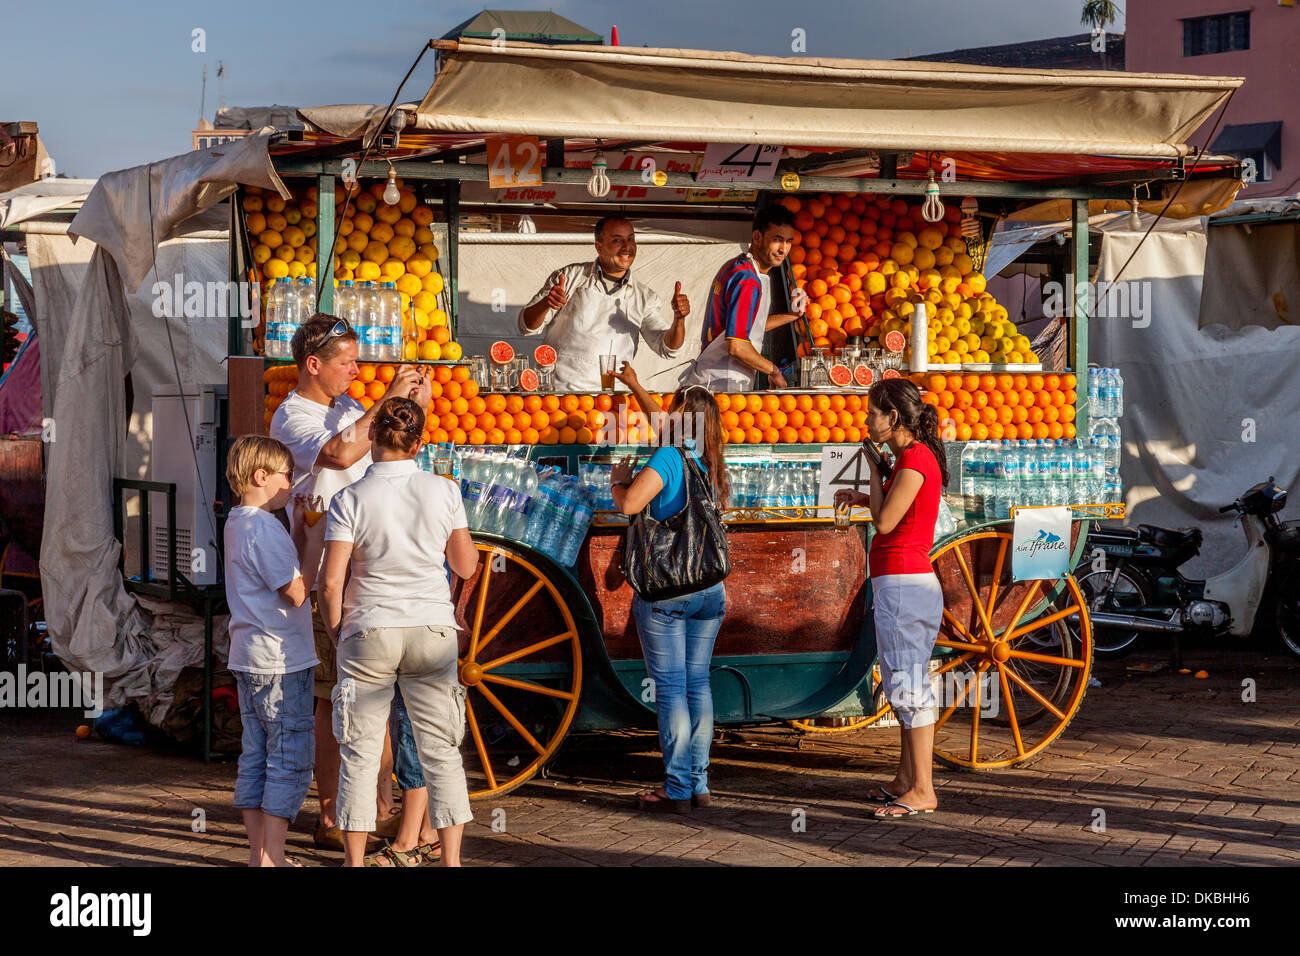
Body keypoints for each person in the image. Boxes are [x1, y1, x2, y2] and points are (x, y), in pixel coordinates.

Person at [270, 313, 431, 850]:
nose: (355, 371)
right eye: (346, 362)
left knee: (375, 698)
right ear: (313, 365)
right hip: (324, 577)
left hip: (369, 576)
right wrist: (387, 398)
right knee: (332, 699)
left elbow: (383, 452)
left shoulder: (348, 407)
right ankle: (331, 813)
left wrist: (412, 405)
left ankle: (377, 808)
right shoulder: (293, 415)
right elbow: (338, 453)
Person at [318, 396, 479, 866]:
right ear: (420, 442)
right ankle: (449, 861)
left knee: (360, 755)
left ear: (371, 437)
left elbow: (332, 580)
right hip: (431, 626)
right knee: (442, 752)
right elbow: (465, 565)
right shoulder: (444, 490)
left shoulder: (349, 499)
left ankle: (353, 861)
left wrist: (335, 630)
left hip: (369, 626)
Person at [610, 362, 729, 814]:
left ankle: (677, 788)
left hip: (667, 589)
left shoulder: (668, 457)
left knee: (672, 689)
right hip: (709, 590)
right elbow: (661, 424)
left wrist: (619, 480)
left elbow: (630, 505)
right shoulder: (706, 457)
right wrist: (635, 384)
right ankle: (698, 783)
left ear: (680, 414)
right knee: (698, 686)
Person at [833, 378, 948, 819]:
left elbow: (884, 522)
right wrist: (871, 485)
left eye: (872, 412)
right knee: (903, 681)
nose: (867, 419)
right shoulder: (909, 458)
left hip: (905, 582)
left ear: (893, 417)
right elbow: (897, 511)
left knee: (908, 684)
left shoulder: (915, 458)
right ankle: (906, 778)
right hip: (901, 582)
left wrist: (871, 472)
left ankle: (922, 788)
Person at [222, 436, 317, 866]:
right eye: (286, 475)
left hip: (247, 655)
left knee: (256, 755)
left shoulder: (238, 521)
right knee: (289, 758)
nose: (291, 483)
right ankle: (275, 858)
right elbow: (295, 592)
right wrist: (319, 547)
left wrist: (298, 527)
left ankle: (257, 854)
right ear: (261, 476)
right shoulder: (263, 527)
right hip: (281, 659)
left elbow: (276, 567)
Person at [518, 216, 691, 392]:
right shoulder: (570, 276)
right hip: (557, 395)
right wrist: (545, 304)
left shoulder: (644, 297)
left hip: (609, 400)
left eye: (630, 239)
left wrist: (679, 320)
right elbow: (526, 326)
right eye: (617, 240)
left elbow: (668, 349)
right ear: (599, 246)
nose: (627, 247)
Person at [680, 205, 808, 392]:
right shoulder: (747, 279)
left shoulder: (739, 267)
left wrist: (792, 316)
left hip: (717, 381)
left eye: (789, 241)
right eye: (777, 240)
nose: (784, 249)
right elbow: (737, 345)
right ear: (757, 237)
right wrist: (772, 370)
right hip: (719, 384)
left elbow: (750, 325)